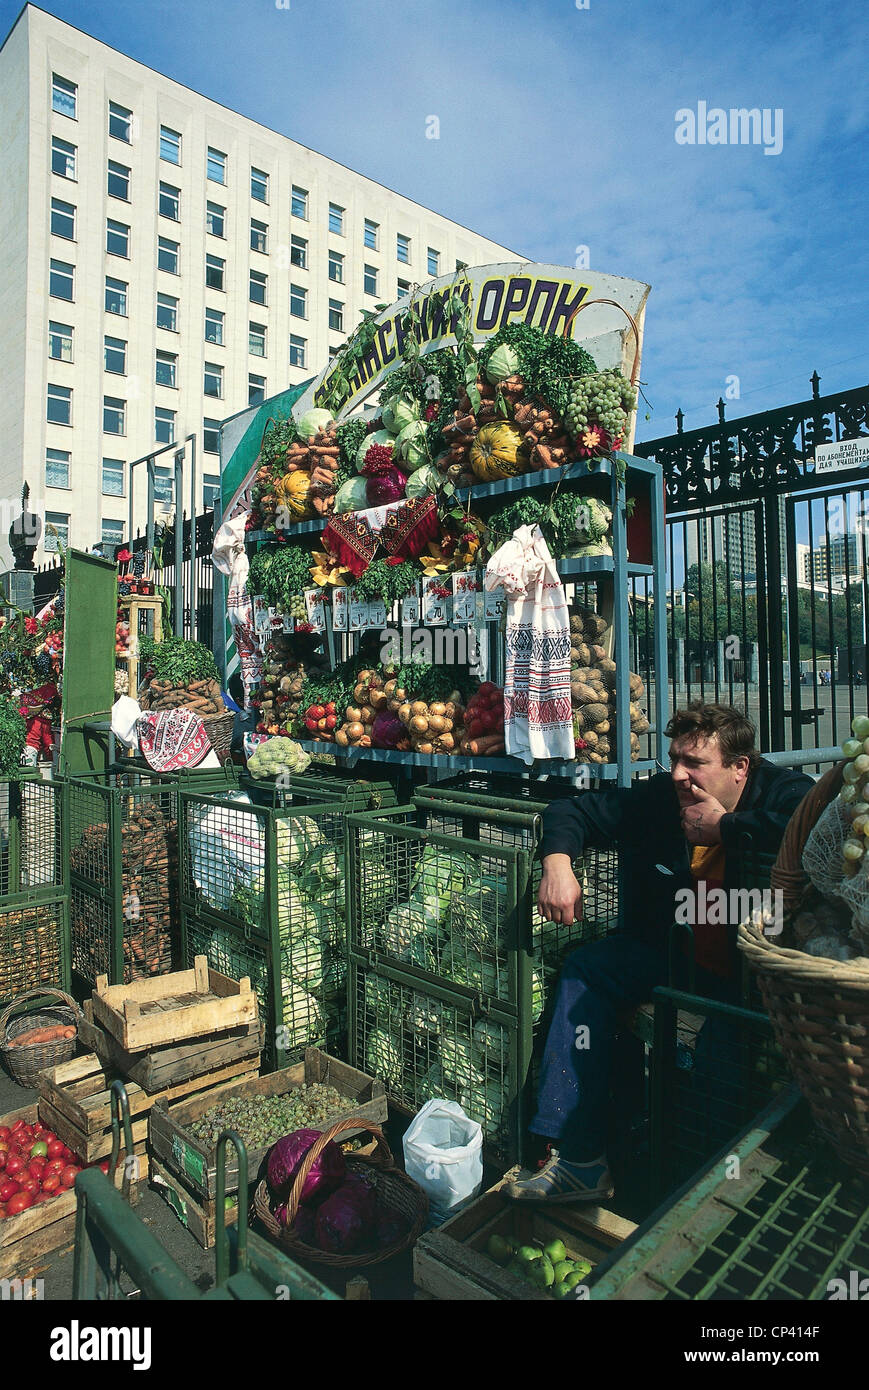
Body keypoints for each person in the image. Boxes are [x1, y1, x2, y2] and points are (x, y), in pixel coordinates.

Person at [505, 701, 813, 1204]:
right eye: (674, 759)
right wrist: (558, 864)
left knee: (723, 1060)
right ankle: (580, 1158)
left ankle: (716, 1196)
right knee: (586, 971)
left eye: (696, 763)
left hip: (751, 974)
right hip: (673, 951)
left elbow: (817, 826)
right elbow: (572, 810)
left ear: (741, 768)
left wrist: (727, 829)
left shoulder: (781, 790)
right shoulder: (661, 798)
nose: (678, 775)